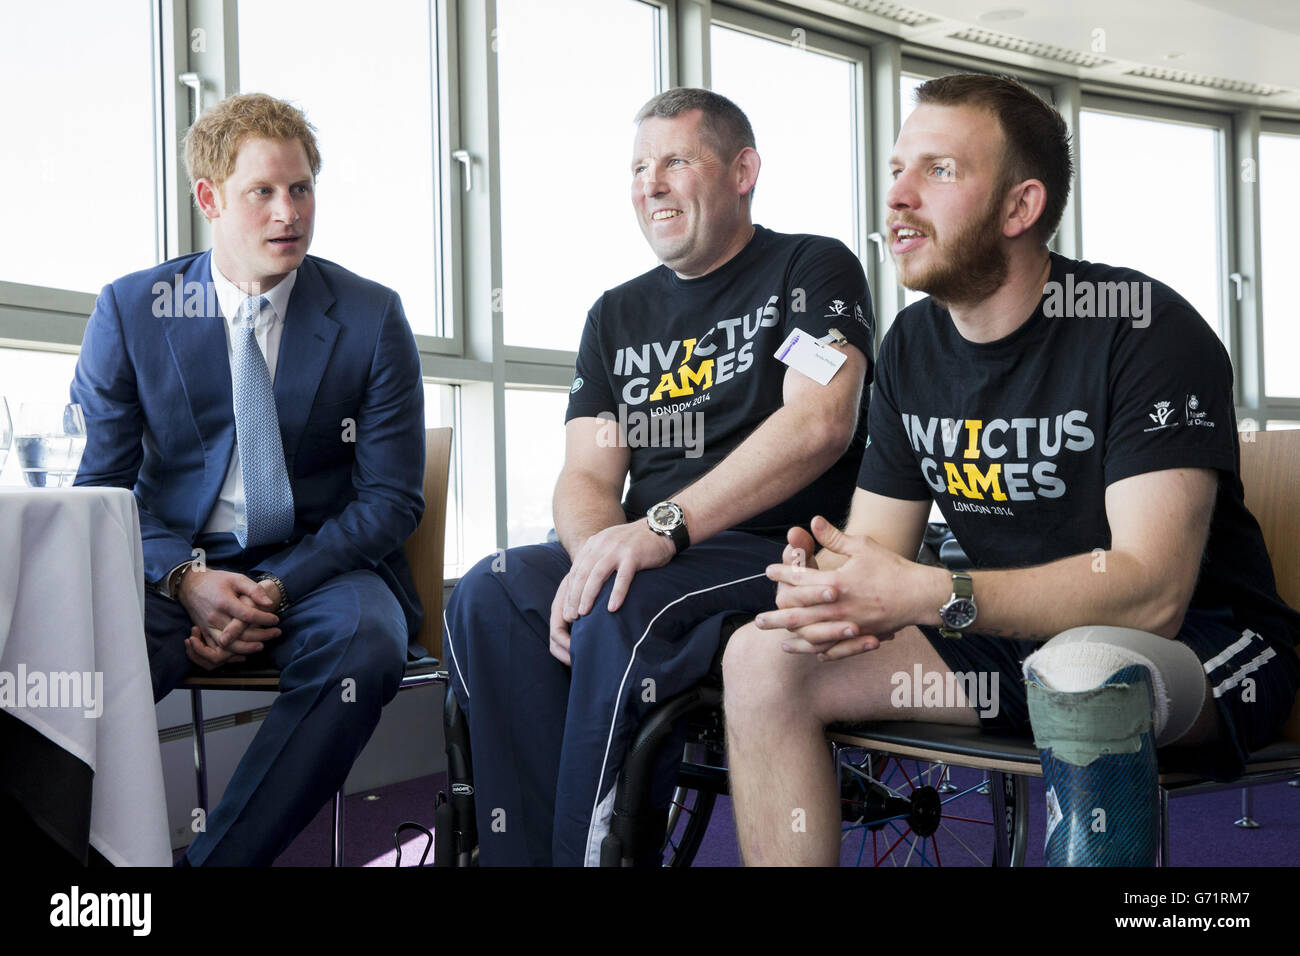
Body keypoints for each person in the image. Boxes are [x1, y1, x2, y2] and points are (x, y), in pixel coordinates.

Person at [723, 73, 1300, 866]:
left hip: (1198, 645)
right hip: (1005, 638)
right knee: (763, 657)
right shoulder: (912, 348)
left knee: (1085, 668)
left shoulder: (1145, 329)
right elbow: (878, 554)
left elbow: (1152, 592)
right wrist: (829, 584)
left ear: (1020, 208)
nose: (898, 196)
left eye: (939, 170)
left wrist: (934, 593)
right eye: (897, 169)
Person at [443, 87, 874, 866]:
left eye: (676, 160)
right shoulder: (615, 315)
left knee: (623, 607)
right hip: (649, 549)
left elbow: (818, 423)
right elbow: (585, 473)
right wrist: (595, 555)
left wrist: (659, 531)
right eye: (639, 167)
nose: (652, 183)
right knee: (490, 591)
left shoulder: (808, 269)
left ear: (743, 171)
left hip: (768, 549)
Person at [72, 93, 426, 866]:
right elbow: (100, 490)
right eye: (261, 192)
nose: (287, 212)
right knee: (67, 654)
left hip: (322, 564)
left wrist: (275, 587)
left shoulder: (370, 316)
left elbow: (391, 500)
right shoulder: (133, 310)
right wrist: (183, 577)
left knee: (366, 645)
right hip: (176, 567)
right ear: (209, 199)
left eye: (300, 189)